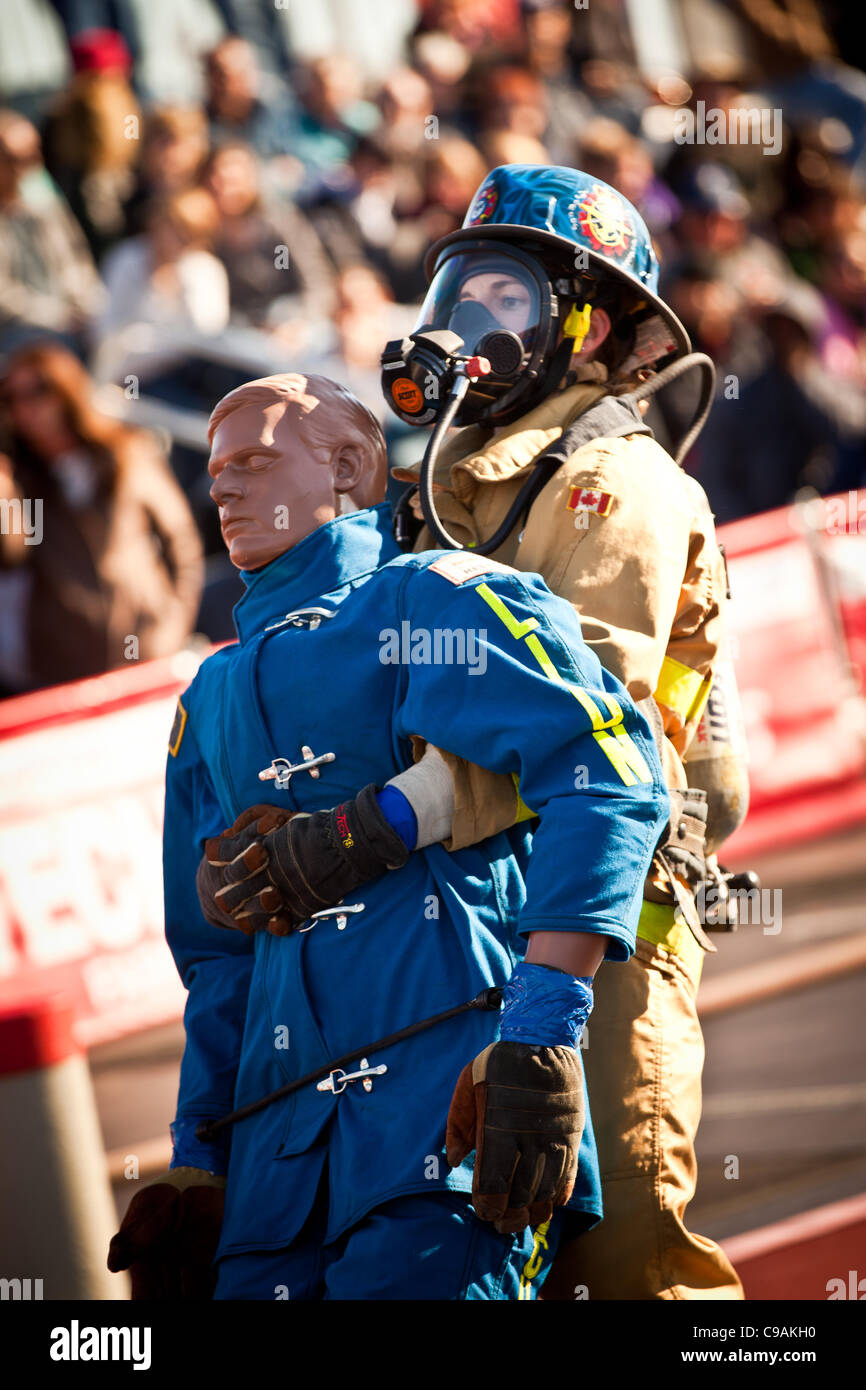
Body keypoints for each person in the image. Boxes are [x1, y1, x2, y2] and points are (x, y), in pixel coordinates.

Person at [218, 165, 747, 1298]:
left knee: (625, 1253)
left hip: (605, 914)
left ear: (587, 330)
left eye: (503, 297)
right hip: (458, 912)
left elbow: (596, 733)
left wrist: (369, 825)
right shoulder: (437, 496)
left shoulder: (616, 482)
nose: (464, 323)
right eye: (457, 290)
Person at [107, 370, 668, 1301]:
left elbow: (607, 770)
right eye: (215, 474)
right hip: (269, 1188)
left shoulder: (434, 597)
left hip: (448, 1125)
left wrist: (540, 1036)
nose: (225, 489)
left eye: (253, 461)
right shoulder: (204, 698)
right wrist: (197, 1162)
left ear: (349, 466)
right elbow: (217, 959)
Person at [0, 342, 203, 690]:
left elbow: (181, 542)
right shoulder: (22, 481)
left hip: (149, 649)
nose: (27, 408)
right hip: (68, 671)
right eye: (11, 399)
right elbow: (14, 553)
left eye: (39, 391)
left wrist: (174, 625)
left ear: (67, 390)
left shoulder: (126, 454)